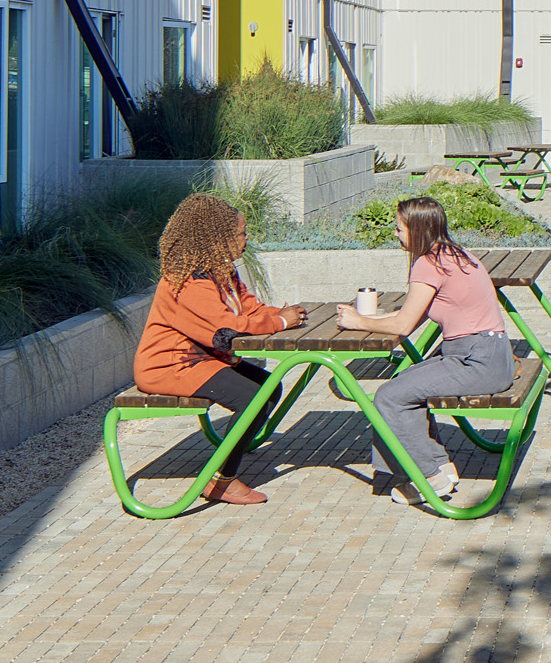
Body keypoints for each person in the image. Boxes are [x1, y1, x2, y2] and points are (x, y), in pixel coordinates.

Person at [336, 194, 514, 505]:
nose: (395, 234)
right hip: (490, 355)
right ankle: (440, 468)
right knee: (404, 384)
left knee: (389, 397)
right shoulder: (456, 254)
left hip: (475, 361)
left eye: (399, 228)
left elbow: (404, 326)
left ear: (417, 229)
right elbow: (410, 315)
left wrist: (358, 321)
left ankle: (428, 478)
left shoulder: (428, 263)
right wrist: (364, 320)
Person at [133, 192, 307, 508]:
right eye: (241, 233)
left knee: (269, 386)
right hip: (171, 366)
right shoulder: (188, 281)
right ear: (218, 239)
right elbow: (224, 331)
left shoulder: (220, 271)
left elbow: (250, 309)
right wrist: (280, 322)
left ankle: (233, 450)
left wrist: (281, 315)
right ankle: (221, 480)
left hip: (200, 360)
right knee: (252, 397)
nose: (246, 238)